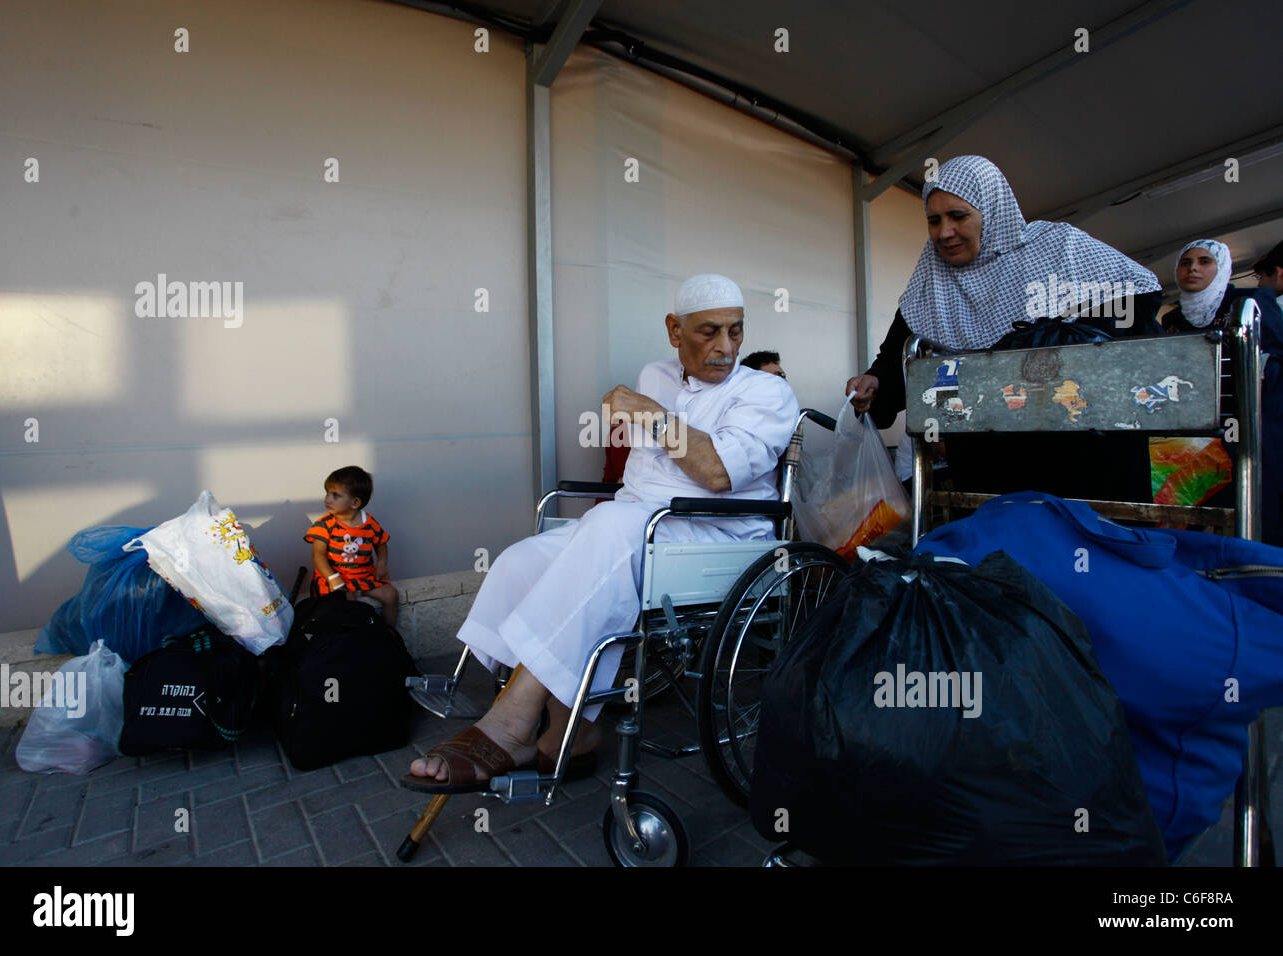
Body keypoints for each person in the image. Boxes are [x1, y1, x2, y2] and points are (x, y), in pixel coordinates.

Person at [404, 273, 799, 790]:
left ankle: (511, 723)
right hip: (638, 523)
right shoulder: (654, 374)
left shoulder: (766, 392)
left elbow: (719, 473)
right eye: (709, 332)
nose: (725, 348)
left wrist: (652, 414)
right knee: (524, 559)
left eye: (736, 331)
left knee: (610, 527)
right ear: (674, 329)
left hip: (718, 535)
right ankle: (574, 730)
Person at [844, 154, 1164, 502]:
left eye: (958, 216)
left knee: (1083, 544)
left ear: (993, 210)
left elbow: (1137, 299)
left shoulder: (1058, 249)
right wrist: (876, 382)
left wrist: (1047, 341)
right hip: (989, 469)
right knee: (1005, 550)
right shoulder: (930, 283)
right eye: (933, 220)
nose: (944, 232)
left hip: (1084, 461)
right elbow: (897, 356)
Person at [1160, 239, 1283, 545]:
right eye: (1185, 263)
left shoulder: (1250, 302)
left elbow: (1278, 356)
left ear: (1222, 268)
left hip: (1253, 422)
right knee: (1184, 509)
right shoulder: (1173, 320)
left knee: (1257, 508)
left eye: (1205, 261)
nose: (1193, 268)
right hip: (1192, 427)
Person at [304, 466, 400, 627]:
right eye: (327, 493)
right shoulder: (325, 525)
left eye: (335, 495)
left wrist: (381, 564)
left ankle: (388, 634)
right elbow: (318, 555)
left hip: (363, 576)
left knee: (391, 595)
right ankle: (356, 639)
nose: (327, 499)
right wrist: (333, 578)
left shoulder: (368, 522)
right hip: (335, 577)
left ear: (355, 502)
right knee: (349, 604)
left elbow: (381, 543)